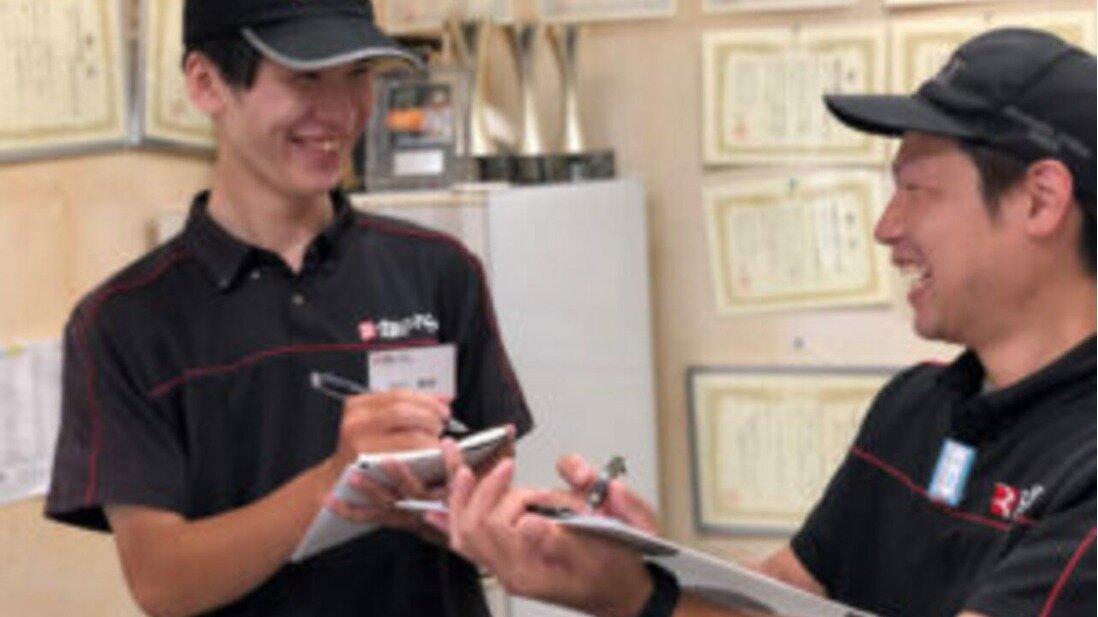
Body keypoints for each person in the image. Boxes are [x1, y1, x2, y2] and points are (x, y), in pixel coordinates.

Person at [432, 27, 1096, 617]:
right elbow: (786, 595)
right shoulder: (914, 408)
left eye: (916, 190)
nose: (886, 227)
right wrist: (637, 566)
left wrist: (640, 595)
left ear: (1040, 200)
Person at [44, 1, 531, 616]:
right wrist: (335, 484)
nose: (341, 112)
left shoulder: (439, 271)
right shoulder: (124, 322)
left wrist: (466, 514)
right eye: (305, 77)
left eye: (358, 75)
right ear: (206, 83)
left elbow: (486, 504)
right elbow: (162, 581)